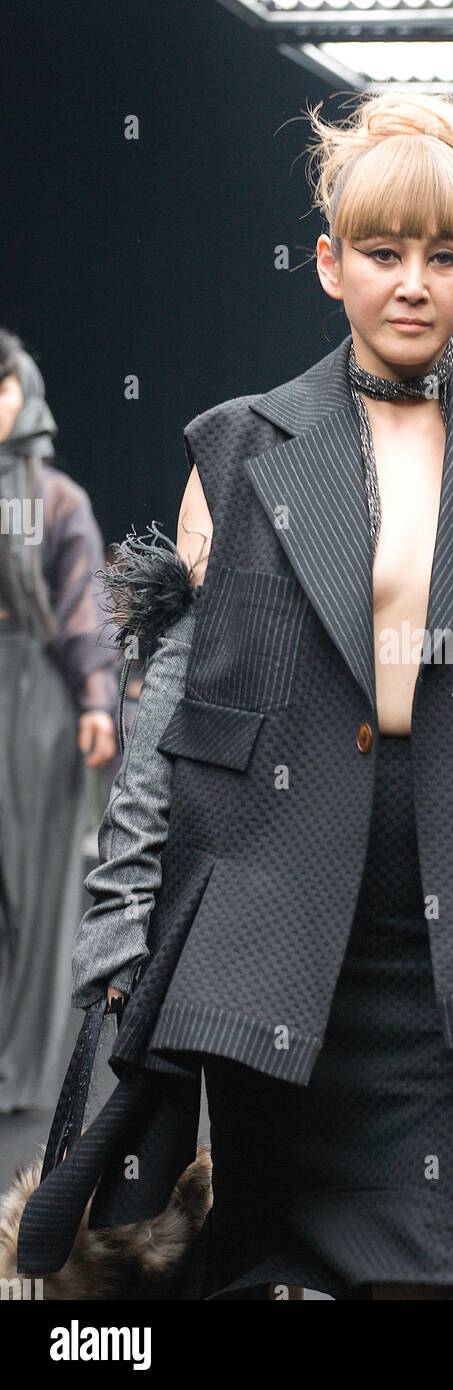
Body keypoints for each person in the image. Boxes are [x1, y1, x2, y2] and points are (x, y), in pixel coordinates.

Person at [18, 91, 453, 1299]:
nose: (411, 282)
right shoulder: (237, 450)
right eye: (383, 254)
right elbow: (181, 714)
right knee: (267, 1252)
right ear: (328, 265)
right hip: (274, 938)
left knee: (426, 1263)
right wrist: (122, 931)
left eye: (442, 257)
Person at [0, 330, 118, 1113]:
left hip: (33, 699)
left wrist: (97, 702)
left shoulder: (52, 500)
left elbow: (83, 611)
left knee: (35, 885)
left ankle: (24, 1067)